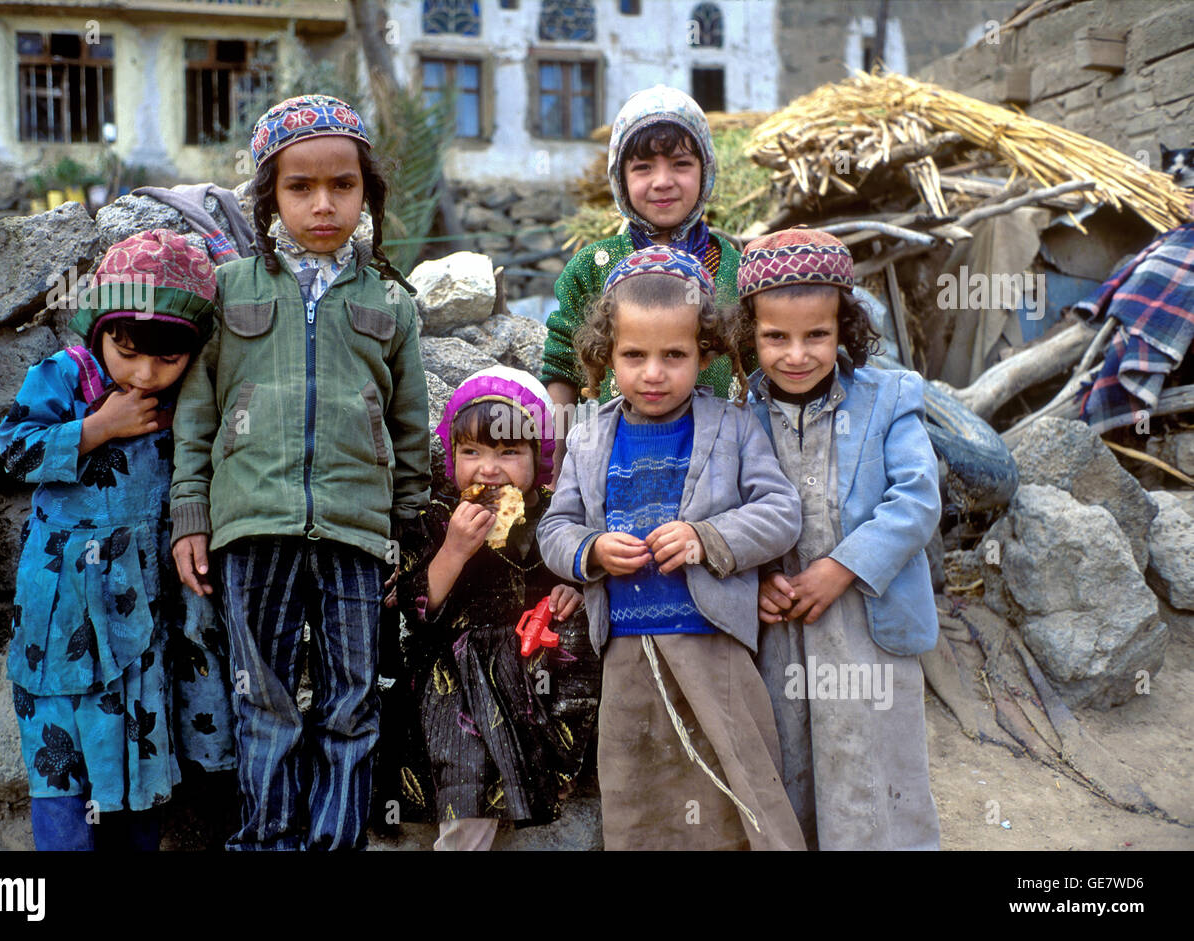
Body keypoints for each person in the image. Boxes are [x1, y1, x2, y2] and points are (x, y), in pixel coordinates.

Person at [170, 93, 430, 851]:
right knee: (265, 700)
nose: (323, 203)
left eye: (342, 185)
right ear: (269, 197)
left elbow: (411, 428)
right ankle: (264, 839)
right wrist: (192, 512)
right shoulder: (230, 290)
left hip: (356, 531)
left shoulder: (390, 302)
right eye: (300, 186)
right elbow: (196, 417)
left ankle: (334, 843)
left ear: (366, 193)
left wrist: (403, 535)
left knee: (352, 702)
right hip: (253, 527)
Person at [537, 246, 806, 850]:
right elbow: (554, 530)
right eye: (634, 355)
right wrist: (592, 550)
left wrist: (706, 538)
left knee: (739, 780)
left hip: (713, 646)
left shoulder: (733, 428)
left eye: (674, 355)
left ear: (705, 354)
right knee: (638, 792)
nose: (653, 372)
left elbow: (781, 513)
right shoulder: (586, 438)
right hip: (627, 653)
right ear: (606, 356)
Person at [0, 228, 235, 851]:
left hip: (150, 607)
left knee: (141, 755)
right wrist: (97, 428)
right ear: (98, 328)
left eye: (167, 360)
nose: (145, 373)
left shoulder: (194, 397)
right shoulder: (64, 377)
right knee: (63, 758)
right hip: (66, 604)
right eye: (125, 351)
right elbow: (13, 452)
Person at [739, 228, 942, 850]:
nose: (795, 354)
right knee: (792, 762)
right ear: (750, 334)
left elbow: (915, 500)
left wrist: (841, 567)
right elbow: (729, 510)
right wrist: (757, 580)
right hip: (784, 627)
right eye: (776, 337)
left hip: (867, 621)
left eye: (816, 336)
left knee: (876, 766)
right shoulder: (740, 414)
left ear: (844, 331)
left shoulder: (889, 398)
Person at [385, 367, 600, 850]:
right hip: (452, 674)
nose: (489, 468)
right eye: (472, 452)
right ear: (451, 456)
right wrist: (454, 551)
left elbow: (569, 575)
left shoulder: (551, 517)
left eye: (509, 452)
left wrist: (567, 592)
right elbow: (419, 611)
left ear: (538, 458)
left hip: (525, 667)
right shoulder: (436, 517)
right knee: (462, 756)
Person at [539, 85, 744, 479]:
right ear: (619, 176)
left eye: (681, 164)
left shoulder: (733, 267)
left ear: (706, 170)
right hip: (615, 466)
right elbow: (562, 367)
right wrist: (556, 466)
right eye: (643, 167)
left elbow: (754, 372)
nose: (663, 181)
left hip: (717, 470)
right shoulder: (592, 267)